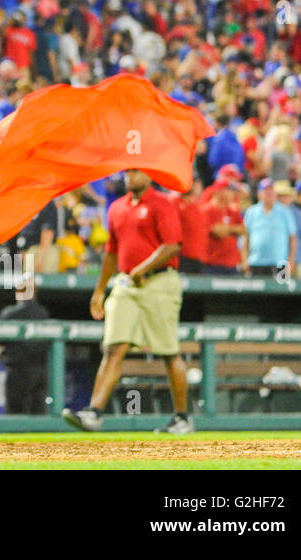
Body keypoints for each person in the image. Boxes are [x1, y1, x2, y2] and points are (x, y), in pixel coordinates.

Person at [63, 169, 191, 434]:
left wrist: (142, 268)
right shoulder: (117, 208)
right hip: (125, 284)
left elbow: (173, 245)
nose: (130, 176)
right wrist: (99, 291)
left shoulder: (162, 203)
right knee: (113, 348)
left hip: (159, 281)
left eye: (136, 171)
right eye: (128, 171)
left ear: (150, 175)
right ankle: (94, 413)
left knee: (168, 352)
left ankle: (182, 418)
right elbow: (111, 252)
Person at [0, 275, 49, 413]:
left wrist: (1, 349)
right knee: (38, 414)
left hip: (18, 370)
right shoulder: (43, 313)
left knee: (15, 413)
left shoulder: (10, 313)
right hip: (40, 371)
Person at [243, 178, 297, 279]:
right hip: (256, 261)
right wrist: (245, 259)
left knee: (282, 292)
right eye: (265, 191)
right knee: (257, 292)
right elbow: (246, 237)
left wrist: (291, 261)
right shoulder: (251, 212)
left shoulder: (285, 212)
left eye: (271, 191)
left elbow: (292, 239)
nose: (269, 194)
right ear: (259, 194)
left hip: (280, 262)